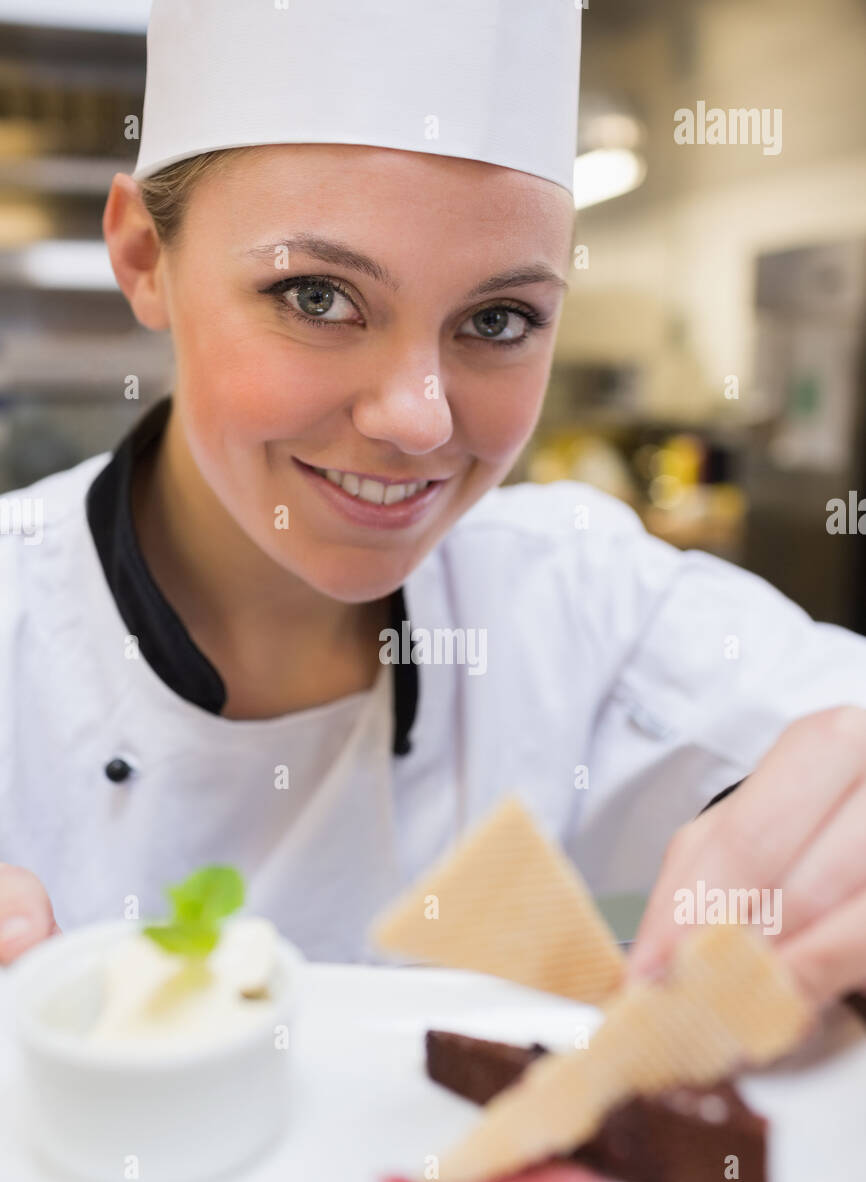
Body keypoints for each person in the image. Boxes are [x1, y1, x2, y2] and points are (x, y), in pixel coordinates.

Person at [1, 0, 865, 1010]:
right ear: (145, 256)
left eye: (496, 319)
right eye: (317, 297)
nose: (415, 419)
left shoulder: (576, 594)